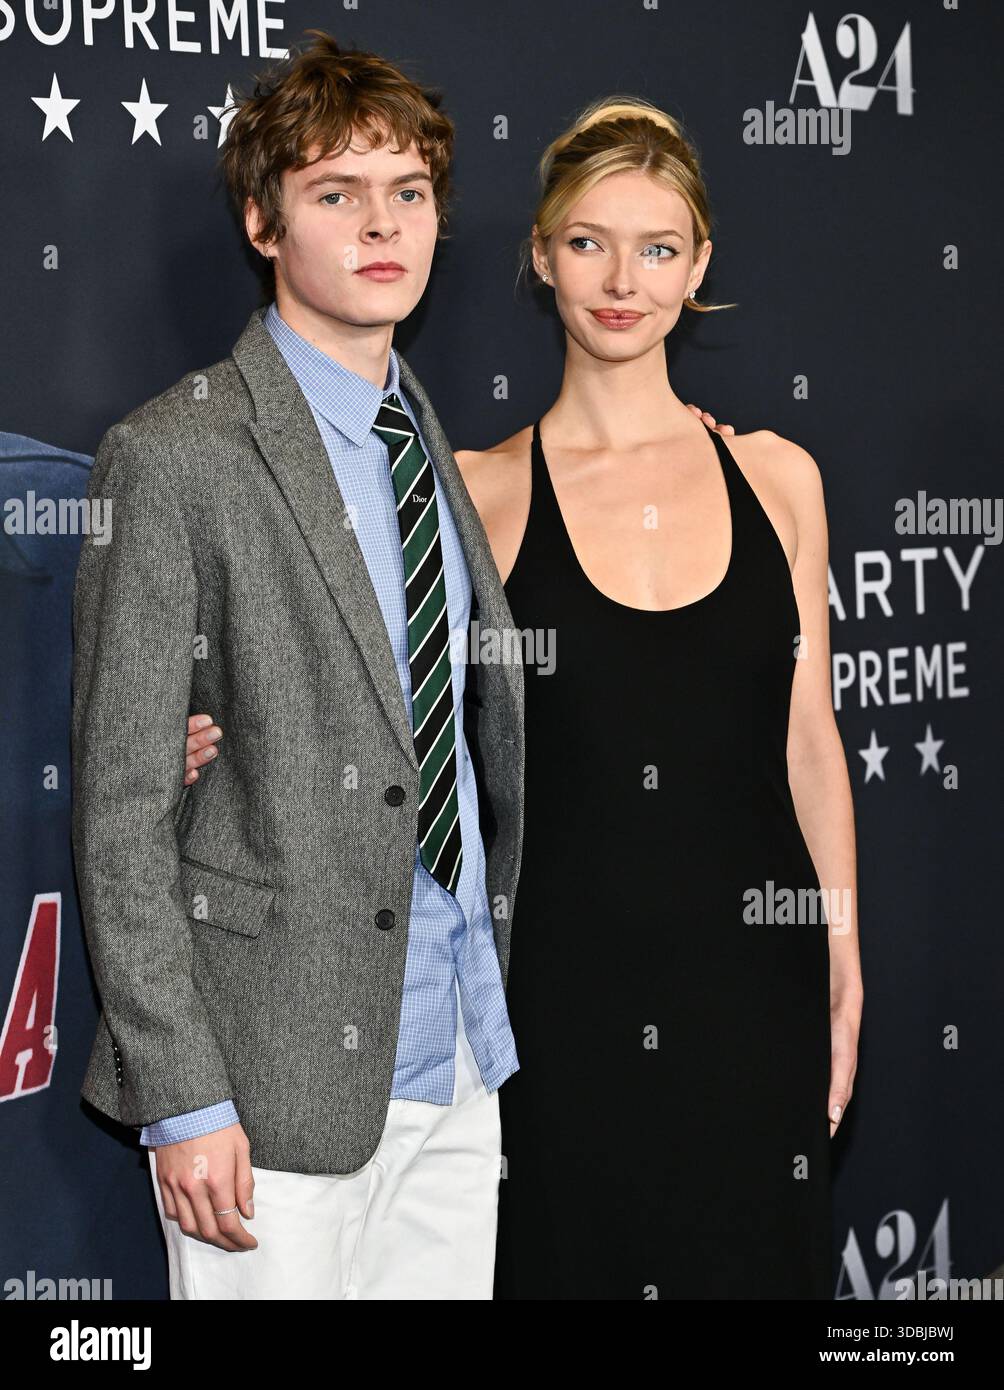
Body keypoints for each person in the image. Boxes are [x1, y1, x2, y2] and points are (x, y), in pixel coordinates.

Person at [72, 33, 525, 1301]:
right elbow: (118, 811)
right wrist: (182, 1094)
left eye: (409, 192)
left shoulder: (425, 434)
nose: (382, 224)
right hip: (263, 1084)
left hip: (453, 1053)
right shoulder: (174, 456)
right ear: (266, 224)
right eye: (337, 193)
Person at [460, 97, 863, 1299]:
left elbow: (808, 739)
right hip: (558, 1006)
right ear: (539, 257)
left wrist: (840, 947)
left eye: (655, 247)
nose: (619, 280)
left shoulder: (778, 477)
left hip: (756, 993)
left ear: (696, 267)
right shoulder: (475, 493)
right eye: (586, 242)